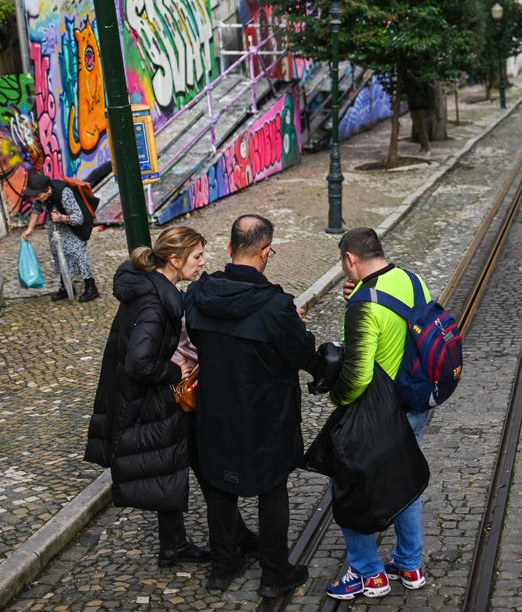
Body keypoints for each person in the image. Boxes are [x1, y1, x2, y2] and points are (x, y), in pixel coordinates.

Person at [184, 215, 315, 597]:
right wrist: (292, 325)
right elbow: (302, 353)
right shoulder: (275, 306)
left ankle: (224, 566)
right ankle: (275, 573)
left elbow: (201, 337)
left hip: (216, 410)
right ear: (264, 252)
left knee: (220, 487)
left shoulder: (198, 294)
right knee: (272, 490)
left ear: (228, 249)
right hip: (265, 414)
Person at [84, 225, 211, 569]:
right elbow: (139, 361)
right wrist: (174, 373)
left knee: (164, 463)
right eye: (197, 256)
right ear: (174, 259)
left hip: (132, 394)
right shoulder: (156, 302)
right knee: (168, 460)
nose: (202, 263)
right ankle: (176, 546)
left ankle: (174, 545)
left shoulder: (149, 287)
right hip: (145, 396)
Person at [325, 227, 433, 600]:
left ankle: (369, 573)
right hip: (416, 401)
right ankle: (410, 564)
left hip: (379, 412)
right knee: (406, 481)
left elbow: (357, 375)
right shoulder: (412, 280)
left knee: (349, 483)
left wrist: (337, 399)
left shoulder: (363, 304)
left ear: (350, 259)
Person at [21, 171, 98, 302]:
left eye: (39, 195)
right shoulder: (41, 196)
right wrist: (30, 229)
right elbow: (35, 209)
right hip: (56, 224)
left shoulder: (64, 193)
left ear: (48, 189)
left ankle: (91, 287)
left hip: (74, 224)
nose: (37, 198)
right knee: (58, 252)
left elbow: (78, 218)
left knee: (78, 253)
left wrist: (62, 218)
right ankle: (66, 287)